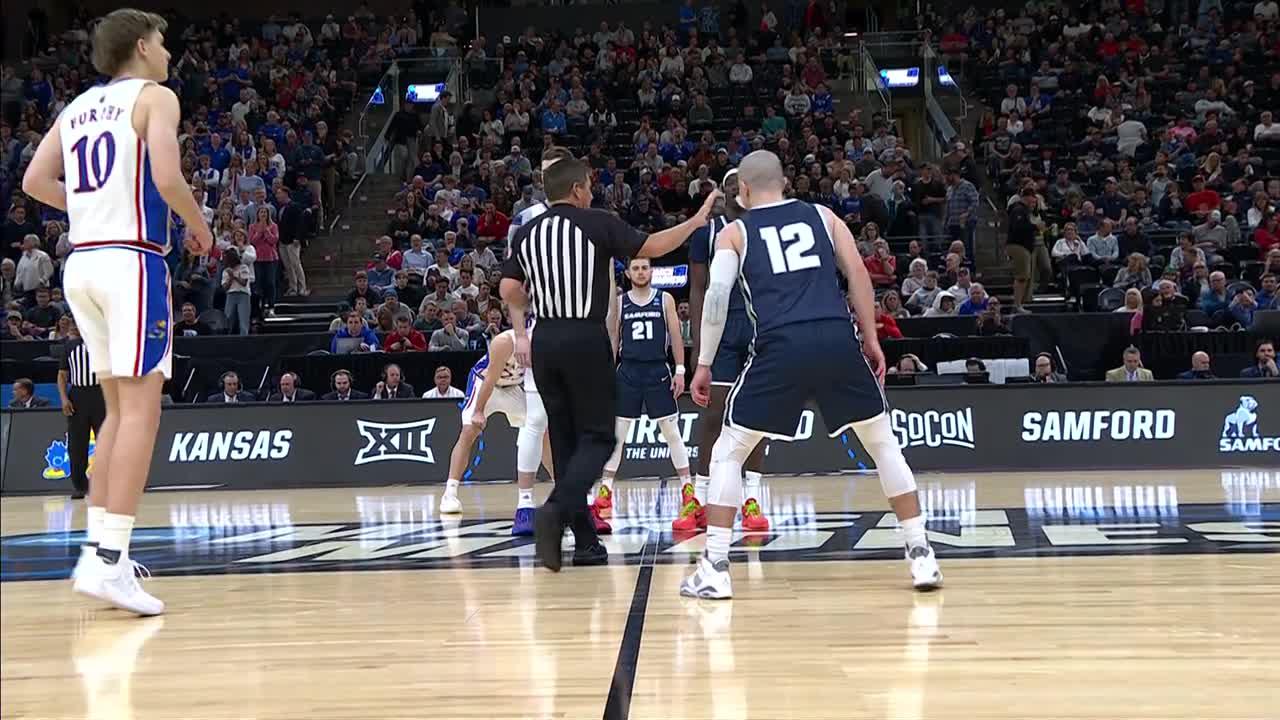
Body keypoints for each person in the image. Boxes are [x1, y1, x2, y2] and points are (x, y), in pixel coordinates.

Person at [21, 9, 213, 616]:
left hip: (83, 265)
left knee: (115, 413)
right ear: (140, 46)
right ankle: (109, 562)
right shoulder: (156, 97)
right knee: (142, 414)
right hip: (131, 261)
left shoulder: (75, 107)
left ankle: (98, 553)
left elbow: (33, 180)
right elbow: (166, 174)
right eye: (162, 43)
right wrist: (200, 226)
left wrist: (83, 210)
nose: (168, 53)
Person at [684, 150, 940, 599]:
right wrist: (872, 338)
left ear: (743, 190)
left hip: (780, 345)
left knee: (728, 452)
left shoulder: (734, 232)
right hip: (837, 339)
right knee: (882, 444)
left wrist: (703, 362)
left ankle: (716, 567)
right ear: (784, 183)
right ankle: (920, 554)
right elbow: (858, 273)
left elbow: (718, 298)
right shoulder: (823, 216)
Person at [500, 153, 718, 572]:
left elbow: (509, 287)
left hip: (545, 337)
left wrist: (528, 314)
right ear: (578, 190)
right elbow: (652, 246)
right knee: (599, 436)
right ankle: (558, 510)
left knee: (563, 442)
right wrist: (694, 223)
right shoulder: (595, 222)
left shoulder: (526, 232)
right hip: (584, 336)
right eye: (589, 187)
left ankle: (584, 542)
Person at [683, 168, 769, 533]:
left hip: (757, 324)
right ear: (723, 191)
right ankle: (699, 500)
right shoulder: (708, 231)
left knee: (756, 416)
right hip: (721, 325)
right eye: (729, 183)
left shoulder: (764, 228)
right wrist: (698, 342)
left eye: (741, 182)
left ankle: (752, 499)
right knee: (712, 415)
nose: (735, 188)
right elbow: (698, 289)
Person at [595, 257, 693, 525]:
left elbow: (675, 336)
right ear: (628, 273)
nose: (640, 272)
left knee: (672, 432)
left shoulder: (665, 299)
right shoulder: (620, 301)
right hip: (627, 371)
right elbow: (614, 337)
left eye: (644, 267)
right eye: (635, 268)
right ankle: (605, 491)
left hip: (658, 371)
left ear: (651, 271)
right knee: (618, 434)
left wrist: (681, 370)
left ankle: (688, 490)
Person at [439, 325, 555, 537]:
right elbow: (490, 378)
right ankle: (450, 492)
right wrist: (479, 411)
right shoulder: (505, 341)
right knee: (469, 431)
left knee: (542, 431)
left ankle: (563, 488)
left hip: (513, 388)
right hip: (484, 385)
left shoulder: (546, 345)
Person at [57, 317, 104, 499]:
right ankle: (79, 485)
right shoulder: (69, 347)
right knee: (77, 444)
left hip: (102, 394)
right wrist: (63, 398)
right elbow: (62, 375)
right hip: (77, 396)